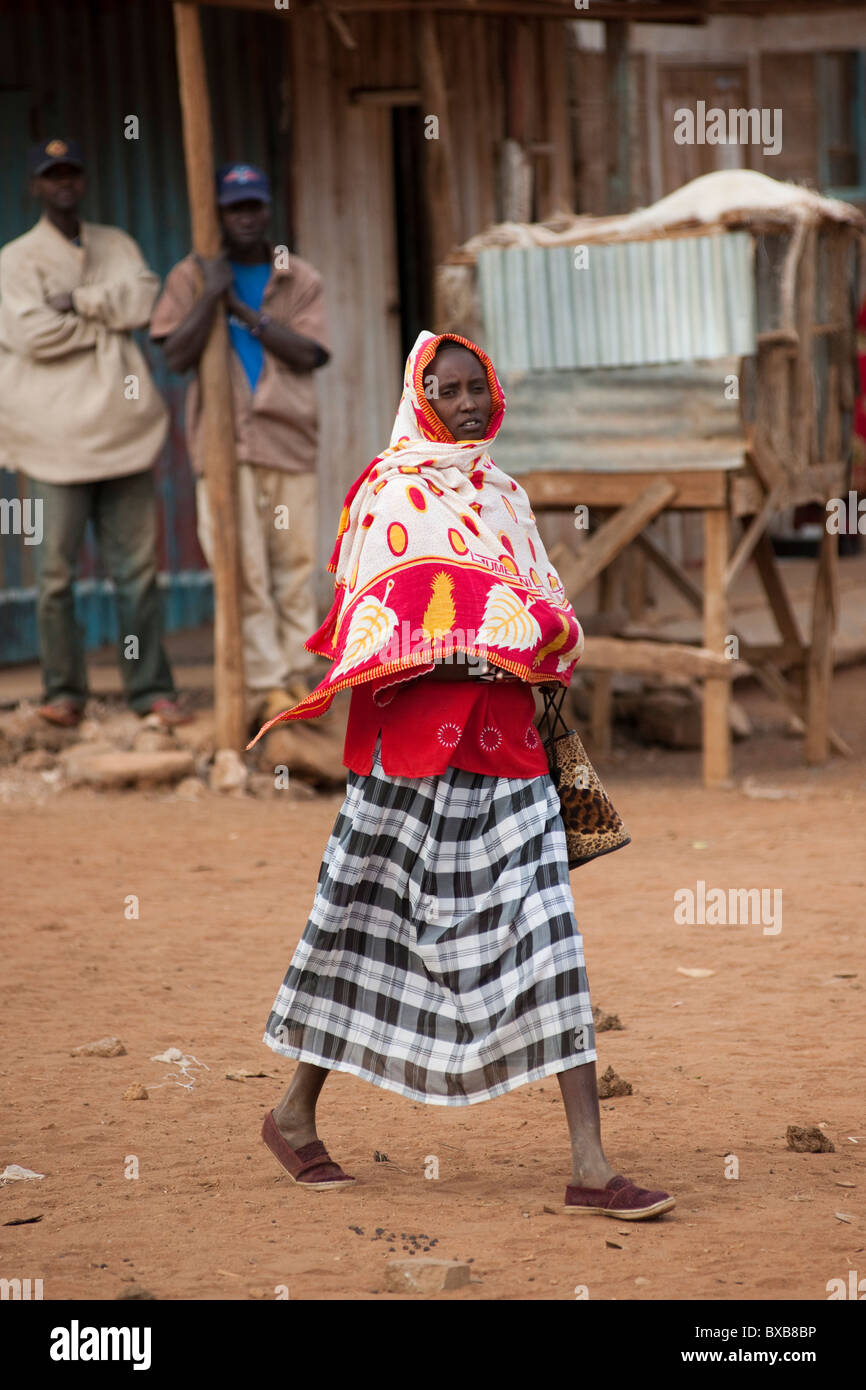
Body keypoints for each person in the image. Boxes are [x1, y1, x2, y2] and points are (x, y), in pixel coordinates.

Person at [249, 330, 675, 1219]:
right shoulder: (386, 491)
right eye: (447, 390)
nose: (468, 403)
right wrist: (470, 643)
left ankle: (591, 1166)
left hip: (508, 748)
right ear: (421, 398)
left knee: (549, 933)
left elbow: (550, 611)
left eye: (477, 386)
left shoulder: (507, 497)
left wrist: (518, 643)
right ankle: (294, 1112)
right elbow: (375, 620)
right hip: (411, 751)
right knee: (363, 923)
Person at [0, 139, 184, 728]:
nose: (63, 183)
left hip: (125, 434)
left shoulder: (117, 243)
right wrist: (104, 324)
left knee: (137, 573)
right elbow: (32, 336)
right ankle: (65, 694)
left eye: (71, 172)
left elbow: (144, 299)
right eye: (51, 175)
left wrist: (78, 302)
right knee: (53, 577)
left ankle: (150, 690)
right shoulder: (16, 260)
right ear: (36, 185)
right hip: (53, 443)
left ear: (82, 180)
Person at [150, 164, 330, 728]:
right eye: (235, 208)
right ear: (220, 214)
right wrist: (212, 294)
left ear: (268, 209)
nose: (246, 216)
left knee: (294, 567)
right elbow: (174, 356)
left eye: (254, 205)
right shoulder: (190, 277)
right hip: (225, 448)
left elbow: (311, 353)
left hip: (286, 439)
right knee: (242, 569)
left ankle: (301, 678)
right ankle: (267, 685)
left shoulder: (296, 276)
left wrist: (242, 313)